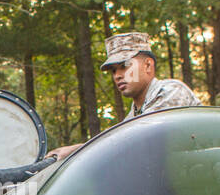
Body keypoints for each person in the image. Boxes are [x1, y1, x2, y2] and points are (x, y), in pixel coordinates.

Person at [50, 32, 197, 159]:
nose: (118, 76)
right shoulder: (135, 112)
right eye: (113, 71)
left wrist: (76, 150)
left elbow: (135, 140)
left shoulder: (170, 91)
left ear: (147, 66)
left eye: (125, 66)